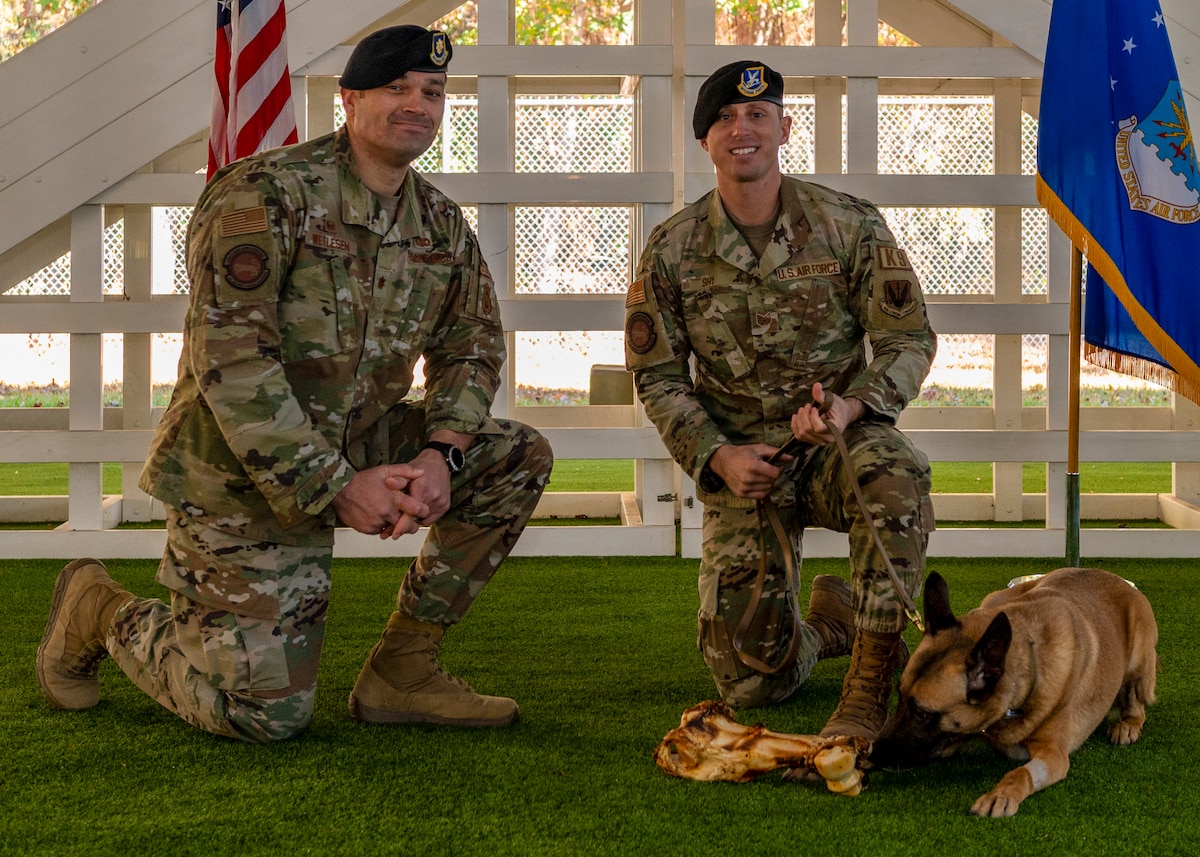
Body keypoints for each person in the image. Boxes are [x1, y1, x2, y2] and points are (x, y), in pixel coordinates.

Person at [36, 26, 553, 742]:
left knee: (514, 453)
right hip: (242, 472)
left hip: (359, 441)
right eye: (395, 88)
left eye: (431, 92)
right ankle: (100, 608)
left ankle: (403, 668)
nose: (417, 104)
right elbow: (234, 359)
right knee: (263, 714)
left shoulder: (440, 222)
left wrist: (442, 453)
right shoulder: (265, 194)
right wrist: (337, 483)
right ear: (348, 100)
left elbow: (473, 344)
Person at [624, 60, 936, 739]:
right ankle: (831, 624)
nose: (743, 129)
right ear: (704, 141)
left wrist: (854, 407)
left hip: (834, 448)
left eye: (758, 115)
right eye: (725, 120)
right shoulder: (671, 250)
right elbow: (658, 376)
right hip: (744, 466)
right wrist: (717, 455)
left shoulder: (847, 224)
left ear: (784, 126)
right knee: (752, 681)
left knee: (896, 474)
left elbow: (908, 337)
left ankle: (870, 681)